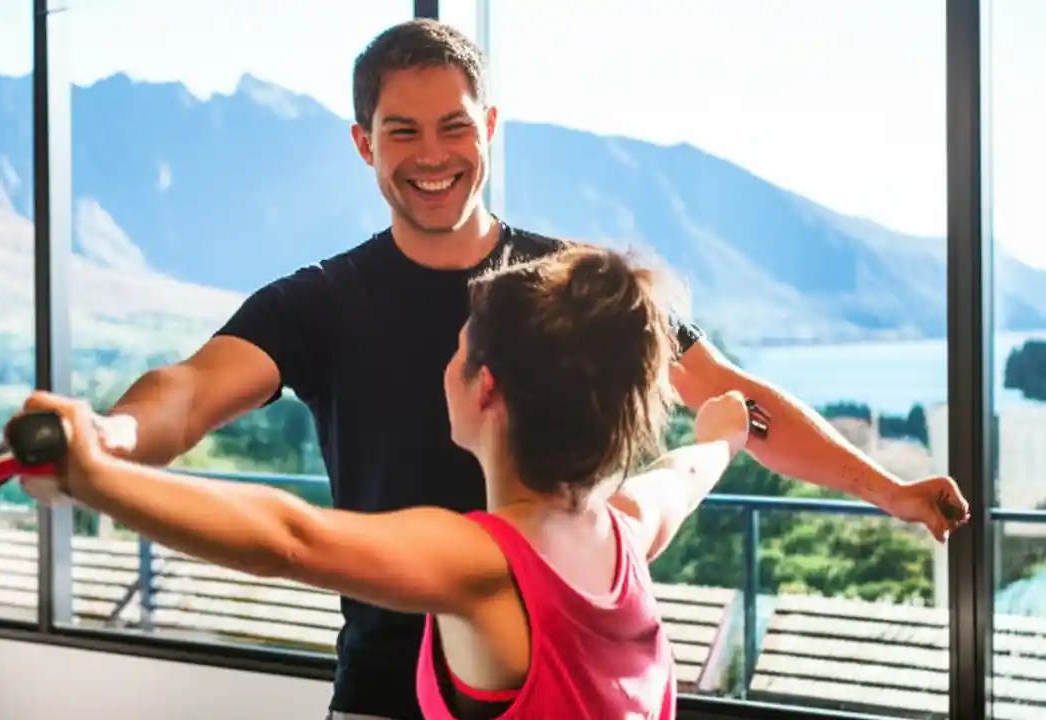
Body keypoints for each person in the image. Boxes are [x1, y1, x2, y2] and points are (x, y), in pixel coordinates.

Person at [59, 19, 969, 720]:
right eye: (401, 130)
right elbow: (187, 390)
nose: (431, 155)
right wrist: (115, 435)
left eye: (454, 126)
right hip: (385, 689)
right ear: (363, 143)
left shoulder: (567, 292)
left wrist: (886, 491)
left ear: (488, 126)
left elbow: (735, 398)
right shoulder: (316, 302)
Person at [18, 244, 755, 720]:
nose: (446, 363)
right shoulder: (624, 533)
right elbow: (681, 473)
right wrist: (722, 434)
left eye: (458, 349)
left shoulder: (487, 567)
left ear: (484, 390)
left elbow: (290, 539)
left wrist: (95, 476)